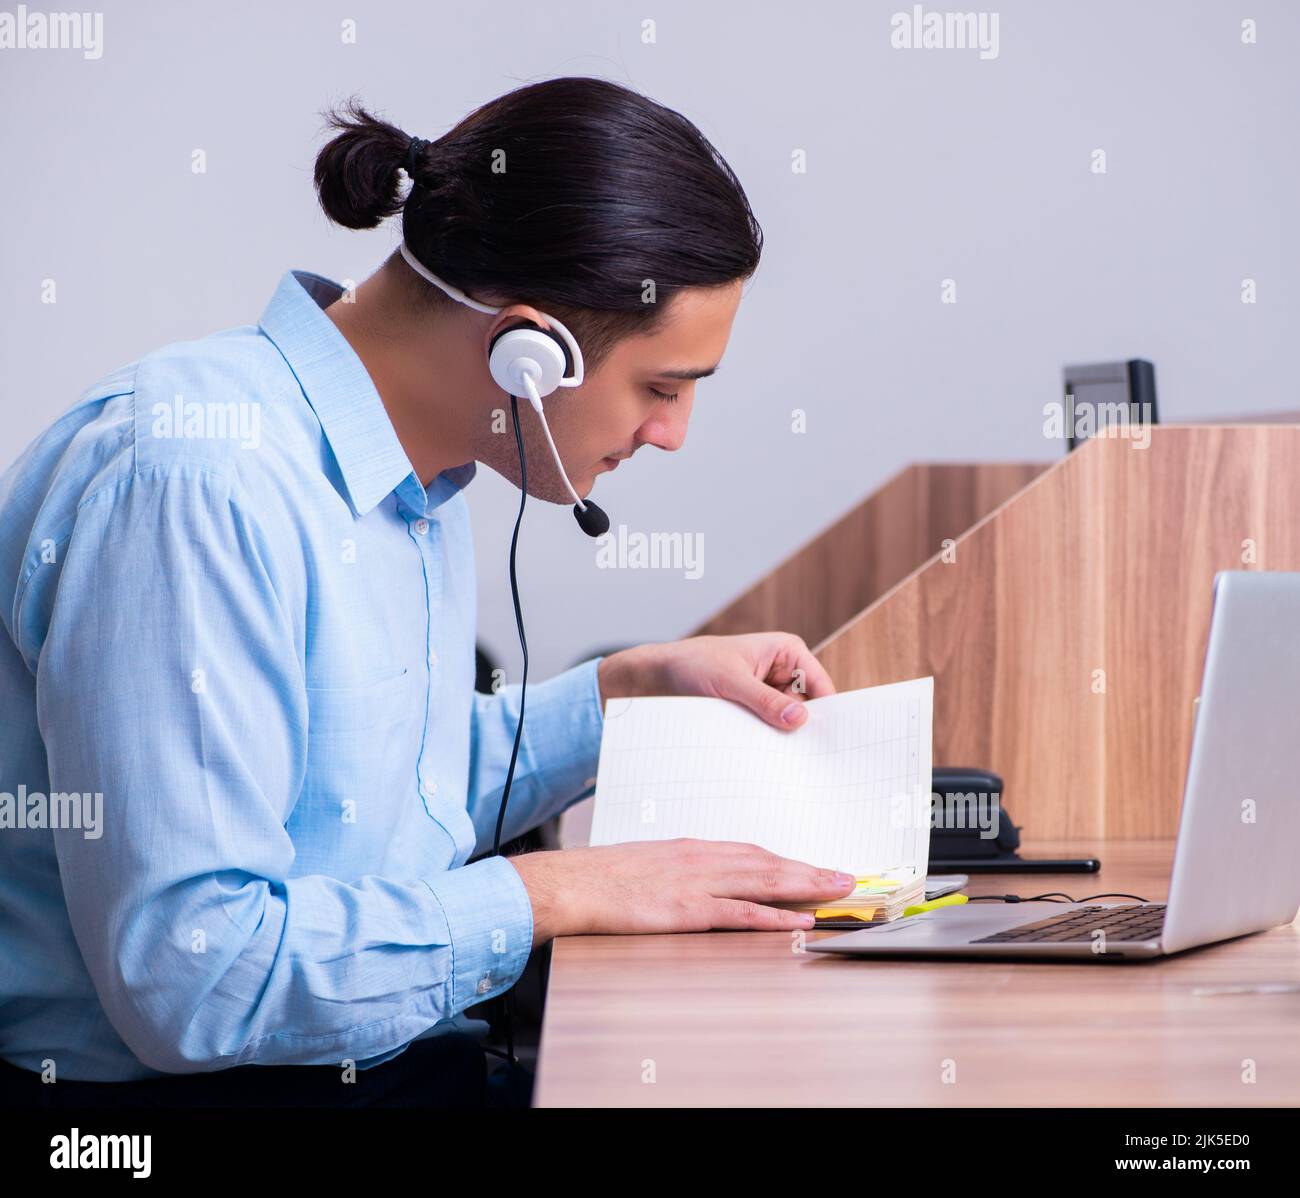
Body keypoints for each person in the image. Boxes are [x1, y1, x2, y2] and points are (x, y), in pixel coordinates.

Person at [0, 77, 856, 1109]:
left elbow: (365, 795)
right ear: (526, 353)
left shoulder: (422, 474)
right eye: (662, 387)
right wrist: (558, 893)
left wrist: (621, 694)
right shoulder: (194, 483)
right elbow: (200, 976)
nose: (671, 434)